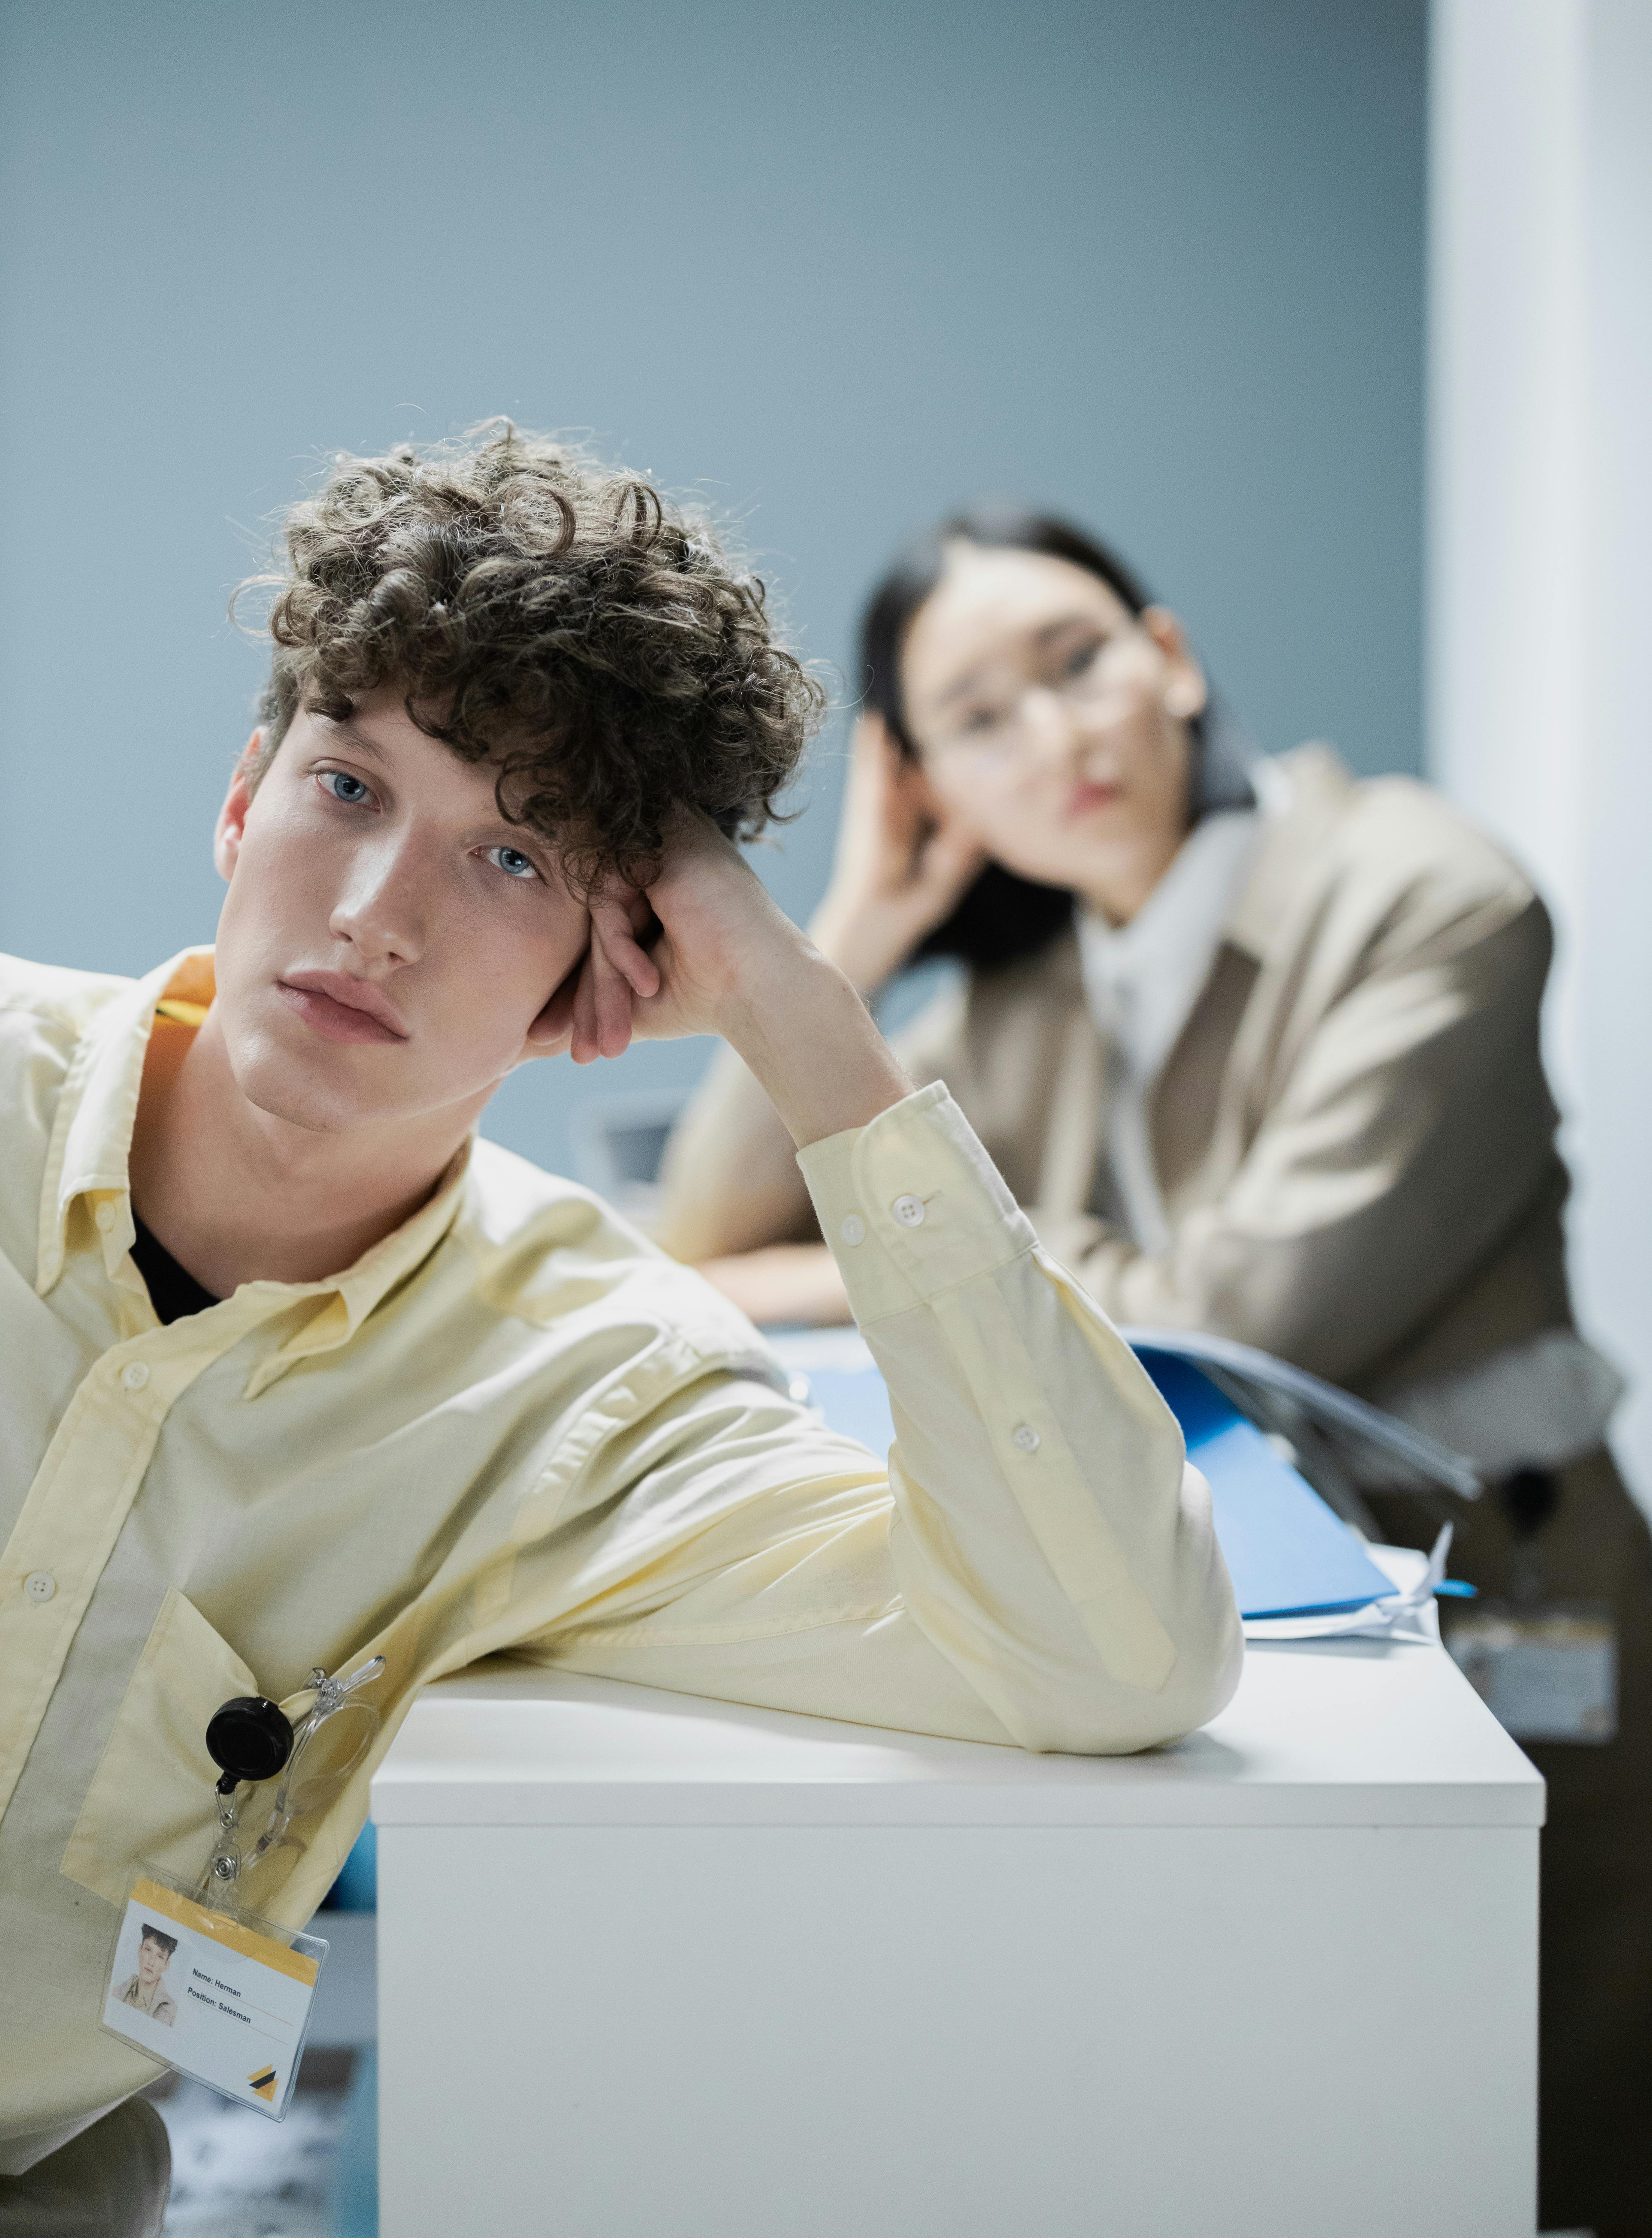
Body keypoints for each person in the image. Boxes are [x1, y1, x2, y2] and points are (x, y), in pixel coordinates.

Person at [0, 437, 1239, 2232]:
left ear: (618, 960)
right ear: (242, 792)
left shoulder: (584, 1382)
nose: (374, 916)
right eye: (346, 786)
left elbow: (1110, 1647)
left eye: (509, 854)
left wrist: (805, 1015)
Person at [655, 503, 1650, 2237]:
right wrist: (859, 926)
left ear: (1170, 660)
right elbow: (709, 1222)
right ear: (929, 782)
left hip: (1507, 1589)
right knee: (1306, 2119)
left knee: (1544, 2123)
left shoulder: (1428, 896)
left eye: (1079, 659)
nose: (1057, 732)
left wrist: (885, 1254)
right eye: (978, 715)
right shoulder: (1029, 987)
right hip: (1264, 1610)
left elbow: (1249, 1304)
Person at [113, 1929, 177, 2029]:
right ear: (140, 1951)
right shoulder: (116, 1992)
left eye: (160, 1956)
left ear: (166, 1965)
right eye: (148, 1950)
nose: (151, 1962)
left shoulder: (171, 2013)